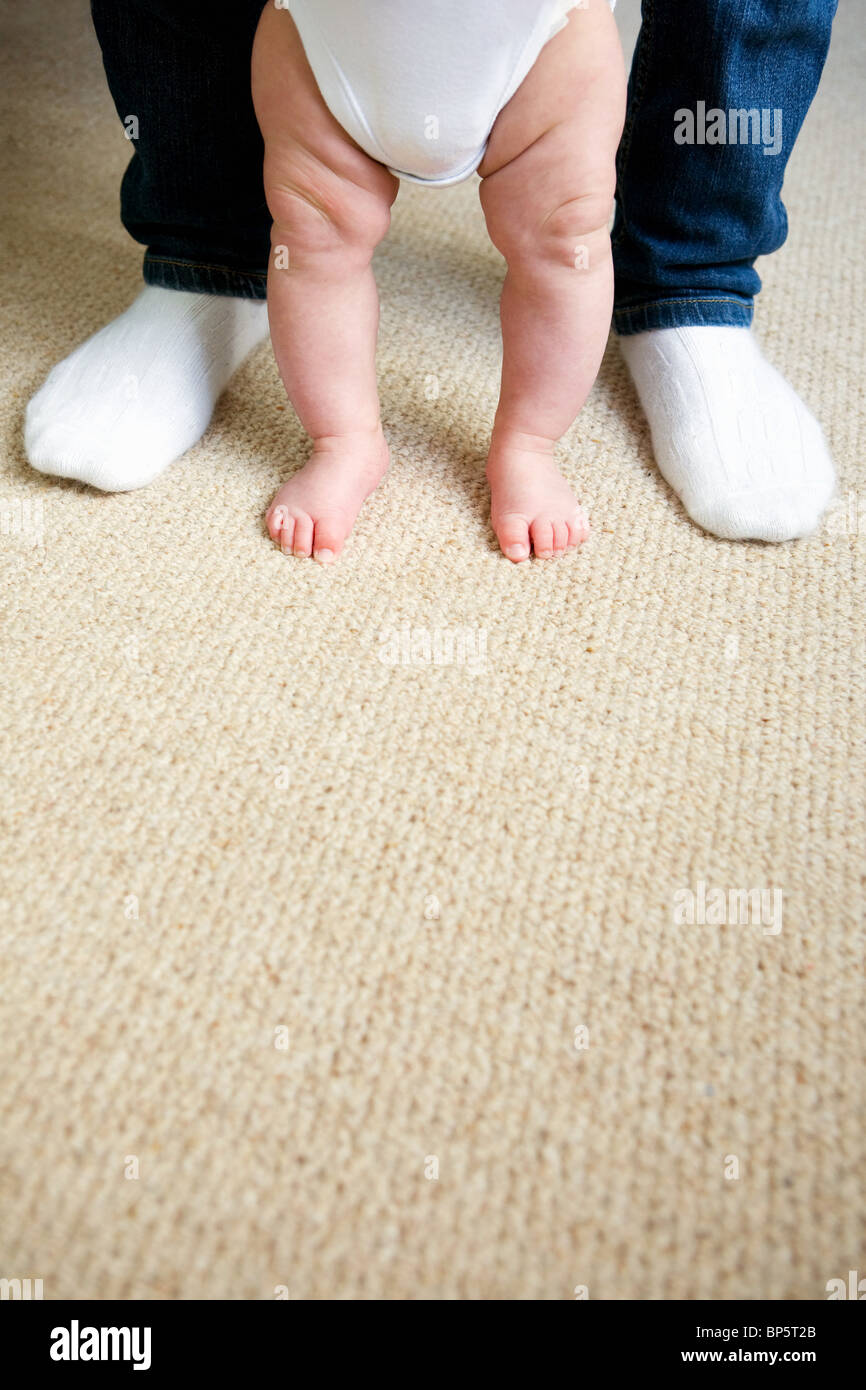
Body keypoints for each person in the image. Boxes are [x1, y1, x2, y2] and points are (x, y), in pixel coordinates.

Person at [25, 0, 837, 550]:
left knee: (563, 241)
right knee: (311, 235)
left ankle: (533, 440)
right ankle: (341, 437)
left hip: (540, 37)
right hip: (322, 33)